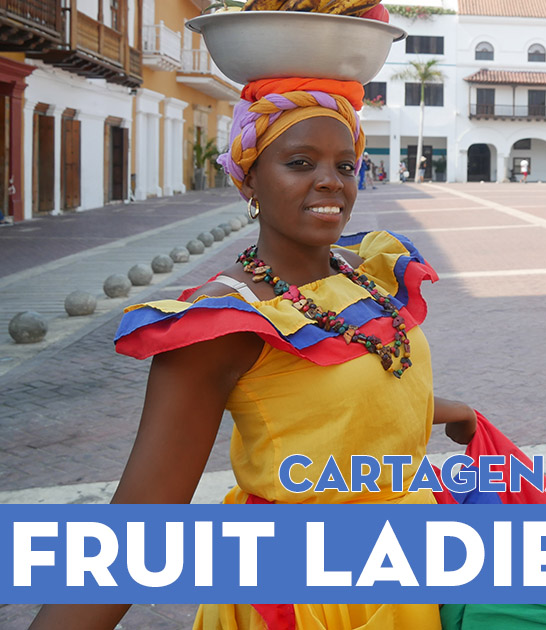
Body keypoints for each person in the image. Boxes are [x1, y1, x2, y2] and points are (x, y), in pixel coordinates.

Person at [28, 78, 480, 630]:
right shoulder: (224, 320)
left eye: (345, 165)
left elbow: (344, 401)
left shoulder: (361, 272)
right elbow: (143, 520)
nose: (330, 181)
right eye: (300, 162)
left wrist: (447, 409)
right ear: (250, 180)